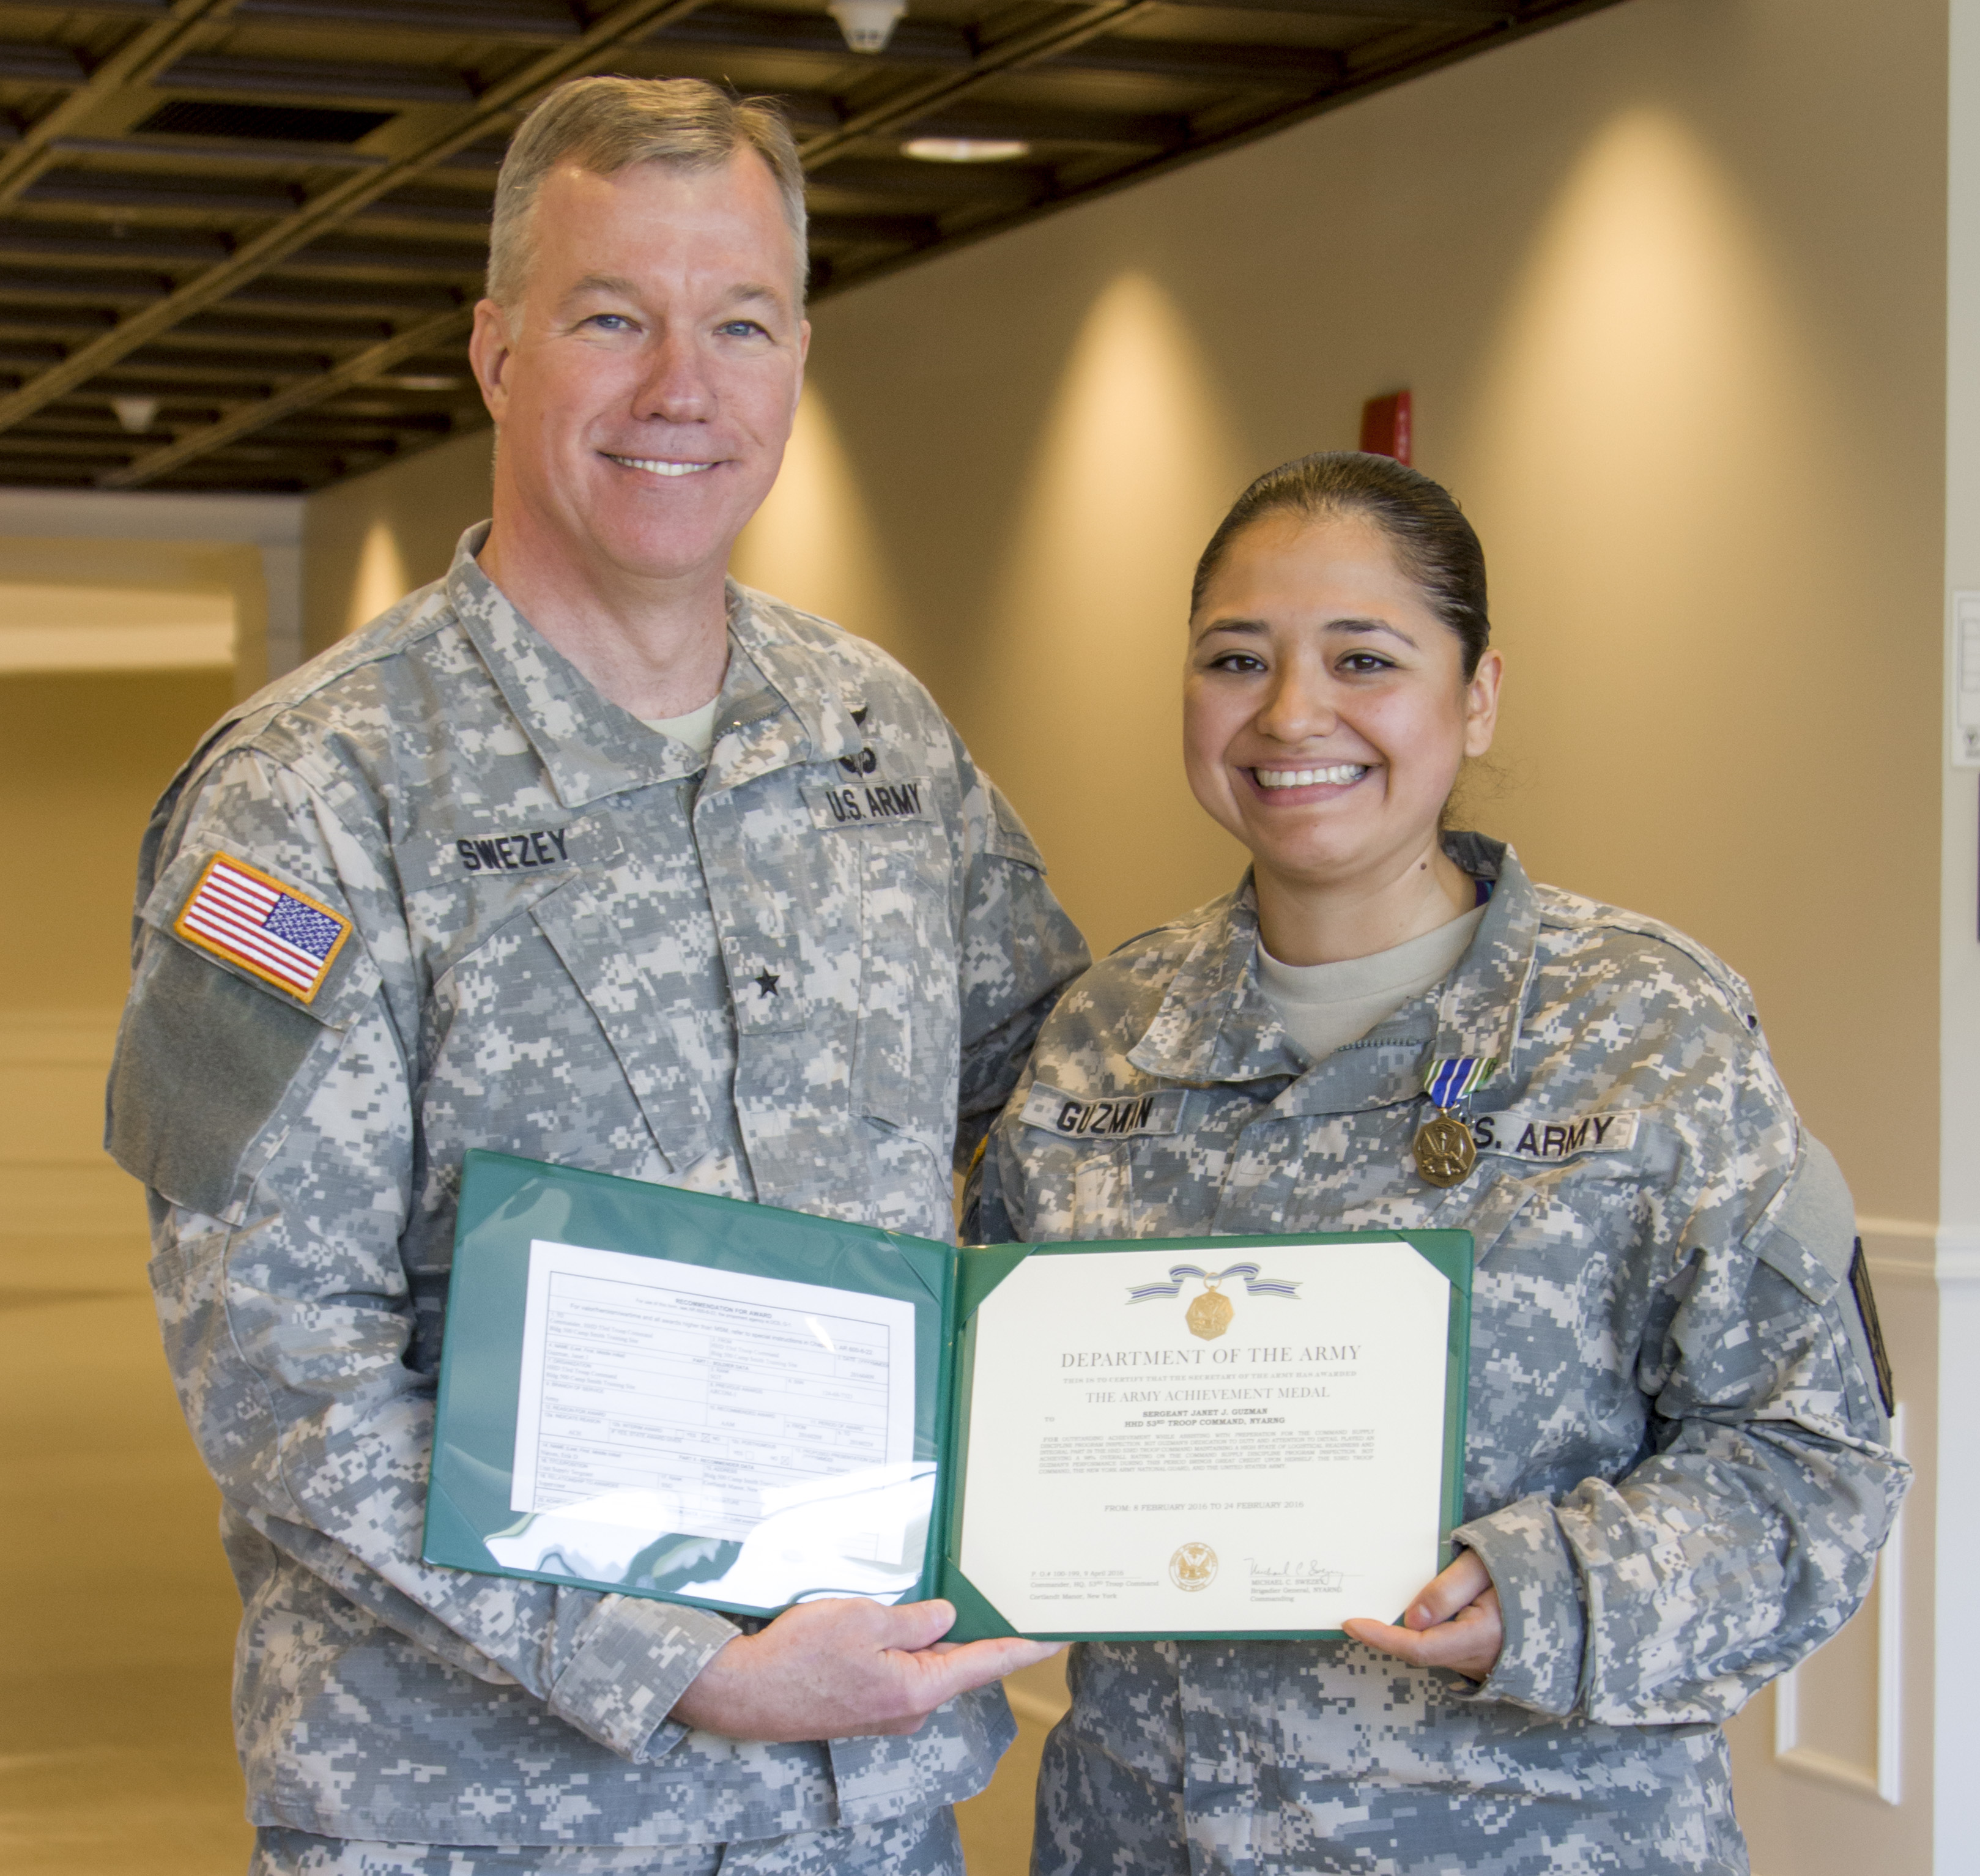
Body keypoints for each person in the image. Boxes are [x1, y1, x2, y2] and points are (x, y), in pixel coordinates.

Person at [108, 76, 1088, 1876]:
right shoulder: (305, 798)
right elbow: (275, 1353)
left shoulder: (881, 739)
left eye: (736, 322)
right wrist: (673, 1662)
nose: (677, 388)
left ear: (795, 354)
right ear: (495, 353)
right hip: (487, 1823)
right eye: (610, 318)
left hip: (859, 1819)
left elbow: (1061, 1124)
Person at [974, 451, 1907, 1875]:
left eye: (1364, 657)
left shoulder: (1644, 1027)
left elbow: (1814, 1462)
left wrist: (1548, 1590)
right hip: (1138, 1831)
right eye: (1237, 657)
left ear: (1473, 694)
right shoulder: (1103, 1037)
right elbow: (976, 1410)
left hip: (1526, 1841)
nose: (1291, 713)